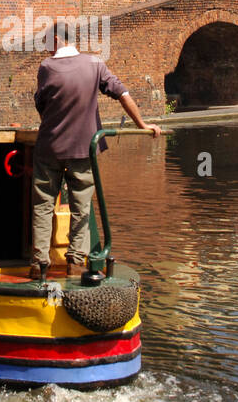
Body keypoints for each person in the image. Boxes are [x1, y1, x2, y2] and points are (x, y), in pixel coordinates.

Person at [30, 24, 161, 281]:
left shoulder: (46, 67)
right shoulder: (94, 64)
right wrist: (143, 126)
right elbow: (122, 94)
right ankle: (75, 262)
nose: (45, 46)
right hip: (83, 148)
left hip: (49, 147)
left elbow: (42, 104)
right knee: (81, 206)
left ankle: (39, 264)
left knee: (43, 205)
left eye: (47, 41)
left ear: (57, 39)